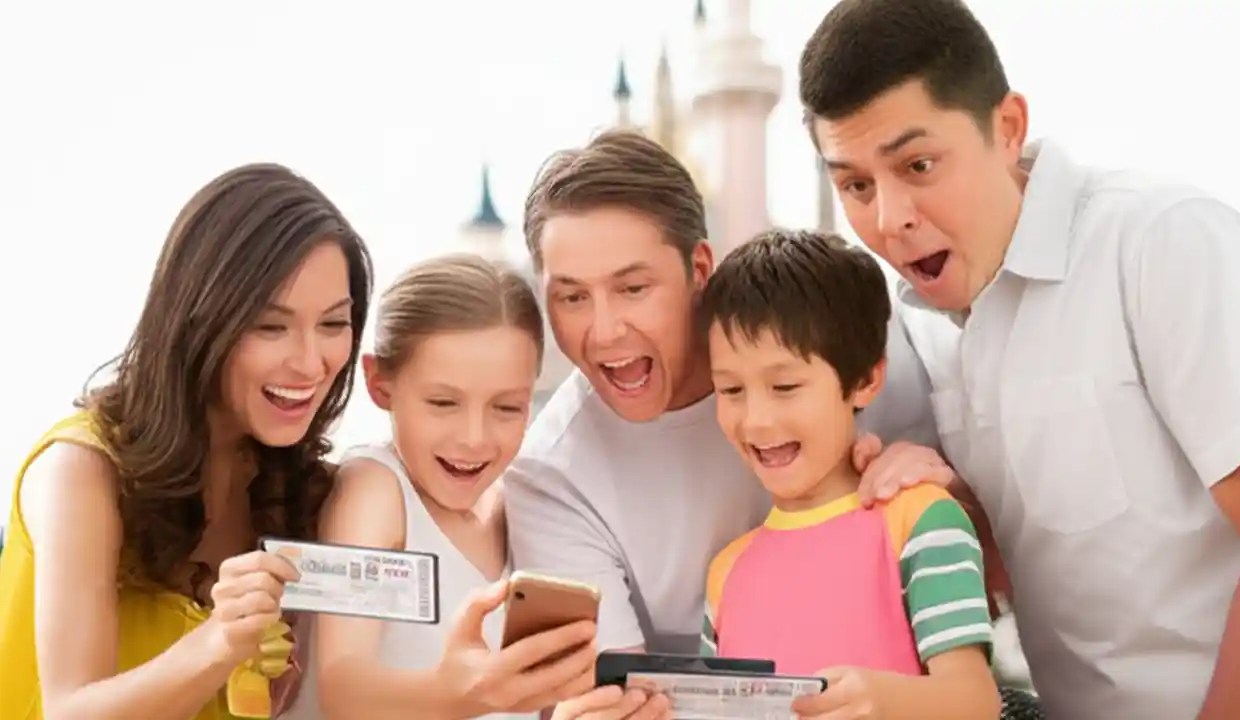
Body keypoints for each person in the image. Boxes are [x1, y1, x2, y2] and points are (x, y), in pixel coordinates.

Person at [798, 1, 1240, 718]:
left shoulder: (1158, 242)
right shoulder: (914, 327)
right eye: (856, 186)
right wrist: (947, 506)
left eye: (918, 164)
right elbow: (1020, 565)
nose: (889, 216)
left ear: (1007, 128)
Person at [505, 129, 947, 719]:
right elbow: (615, 690)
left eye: (633, 288)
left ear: (699, 269)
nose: (605, 330)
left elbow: (973, 569)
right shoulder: (550, 476)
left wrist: (943, 486)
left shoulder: (832, 345)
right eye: (572, 297)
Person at [0, 163, 375, 720]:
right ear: (199, 322)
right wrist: (220, 643)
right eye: (270, 326)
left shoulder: (300, 487)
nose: (309, 362)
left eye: (333, 324)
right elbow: (69, 711)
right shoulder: (81, 470)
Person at [698, 228, 999, 720]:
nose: (755, 420)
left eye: (785, 385)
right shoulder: (726, 572)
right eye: (731, 391)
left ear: (864, 380)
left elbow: (975, 702)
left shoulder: (920, 521)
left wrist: (882, 699)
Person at [281, 254, 597, 720]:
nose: (474, 437)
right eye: (444, 402)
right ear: (380, 383)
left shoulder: (519, 504)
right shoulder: (376, 490)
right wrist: (470, 693)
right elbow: (343, 688)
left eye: (507, 408)